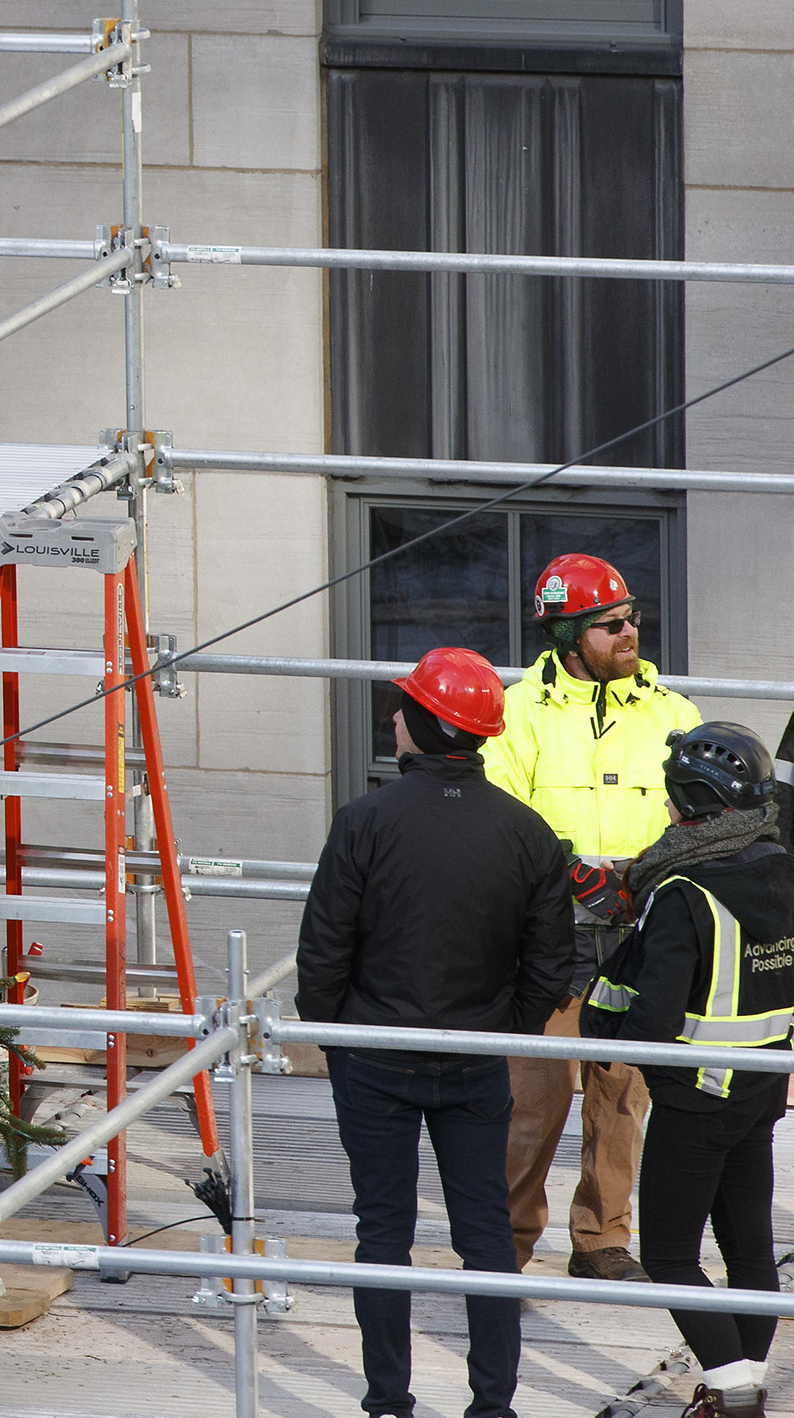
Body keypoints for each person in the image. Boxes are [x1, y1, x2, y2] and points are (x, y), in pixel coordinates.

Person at [298, 647, 574, 1418]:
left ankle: (388, 1400)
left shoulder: (364, 821)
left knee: (382, 1234)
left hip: (375, 1059)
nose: (391, 716)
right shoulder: (527, 833)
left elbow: (323, 950)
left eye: (402, 706)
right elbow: (552, 963)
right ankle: (493, 1406)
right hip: (475, 1062)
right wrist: (499, 1032)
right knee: (485, 1235)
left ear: (425, 723)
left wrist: (338, 1040)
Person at [487, 552, 703, 1280]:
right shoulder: (517, 711)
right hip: (550, 929)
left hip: (639, 920)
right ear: (570, 634)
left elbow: (696, 814)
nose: (630, 631)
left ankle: (603, 1238)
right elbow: (503, 817)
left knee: (620, 1089)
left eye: (634, 618)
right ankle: (506, 1244)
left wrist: (647, 878)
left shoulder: (671, 713)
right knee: (534, 1095)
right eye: (612, 624)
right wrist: (576, 875)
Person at [583, 723, 794, 1418]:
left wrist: (604, 1028)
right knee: (750, 1254)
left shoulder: (683, 892)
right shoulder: (781, 868)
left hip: (696, 1100)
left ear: (684, 801)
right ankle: (742, 1386)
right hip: (760, 1092)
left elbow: (653, 1021)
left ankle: (734, 1394)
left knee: (671, 1256)